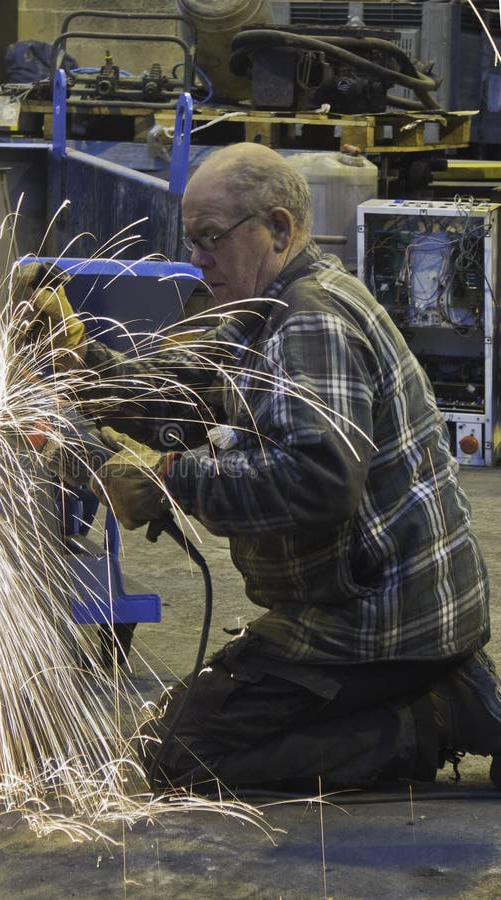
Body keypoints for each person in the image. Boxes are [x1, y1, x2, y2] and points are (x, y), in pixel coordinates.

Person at [28, 141, 501, 795]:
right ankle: (433, 685)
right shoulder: (273, 308)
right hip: (384, 599)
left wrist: (167, 475)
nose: (196, 258)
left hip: (377, 617)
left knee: (178, 756)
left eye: (210, 238)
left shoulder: (309, 324)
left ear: (277, 228)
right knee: (175, 739)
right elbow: (196, 392)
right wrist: (88, 371)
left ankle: (430, 717)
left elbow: (316, 480)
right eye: (190, 239)